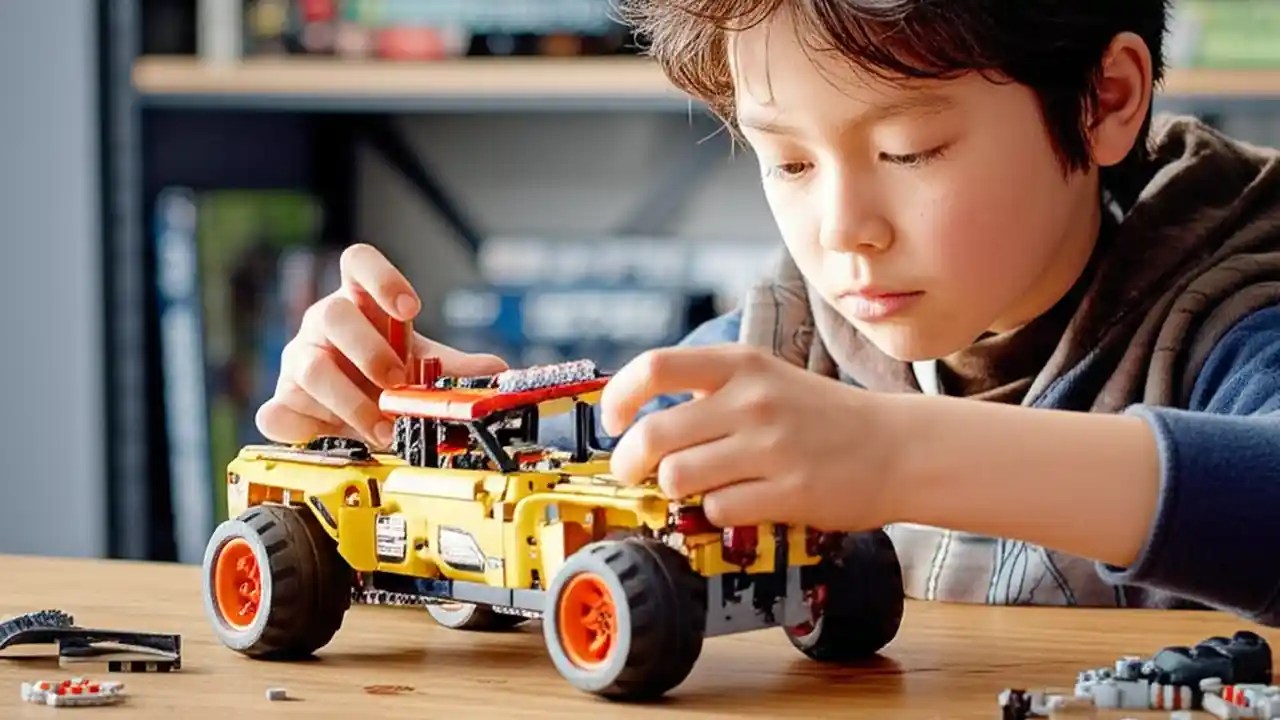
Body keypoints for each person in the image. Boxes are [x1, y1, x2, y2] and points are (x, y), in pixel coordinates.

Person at [254, 1, 1280, 624]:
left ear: (1104, 100)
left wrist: (892, 456)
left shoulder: (1233, 295)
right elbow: (597, 508)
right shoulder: (787, 339)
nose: (842, 229)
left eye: (909, 152)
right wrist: (431, 424)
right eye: (787, 160)